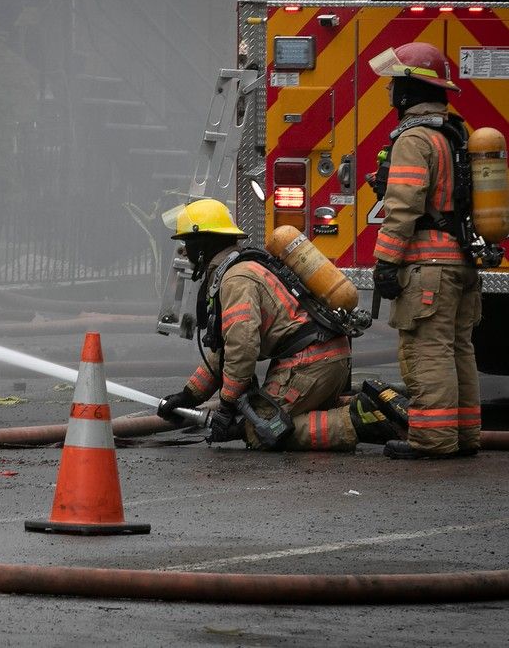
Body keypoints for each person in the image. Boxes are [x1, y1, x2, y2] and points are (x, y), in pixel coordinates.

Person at [157, 199, 406, 451]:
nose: (184, 251)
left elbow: (242, 349)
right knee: (278, 417)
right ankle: (373, 403)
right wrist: (188, 396)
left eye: (187, 242)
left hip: (309, 365)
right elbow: (225, 352)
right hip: (326, 359)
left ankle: (360, 420)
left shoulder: (236, 279)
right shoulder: (243, 267)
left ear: (203, 244)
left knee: (260, 428)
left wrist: (227, 406)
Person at [370, 42, 481, 460]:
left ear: (408, 91)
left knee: (428, 351)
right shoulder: (455, 134)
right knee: (458, 350)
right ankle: (465, 435)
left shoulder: (415, 139)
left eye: (396, 84)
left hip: (428, 267)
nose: (391, 93)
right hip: (460, 262)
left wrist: (386, 262)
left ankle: (433, 440)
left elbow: (404, 207)